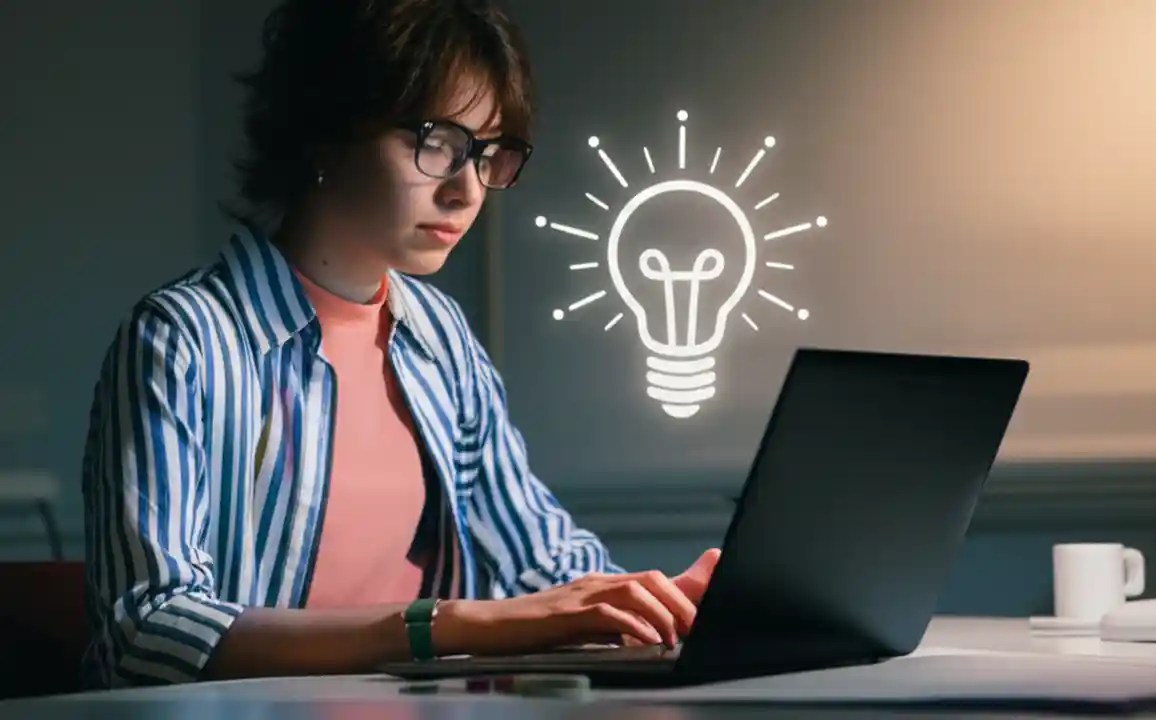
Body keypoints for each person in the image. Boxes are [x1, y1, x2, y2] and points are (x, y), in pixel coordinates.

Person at [80, 0, 719, 688]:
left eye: (487, 152)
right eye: (436, 141)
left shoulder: (438, 339)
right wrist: (444, 625)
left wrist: (657, 604)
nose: (466, 189)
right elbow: (147, 630)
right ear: (326, 130)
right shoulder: (185, 340)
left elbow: (538, 561)